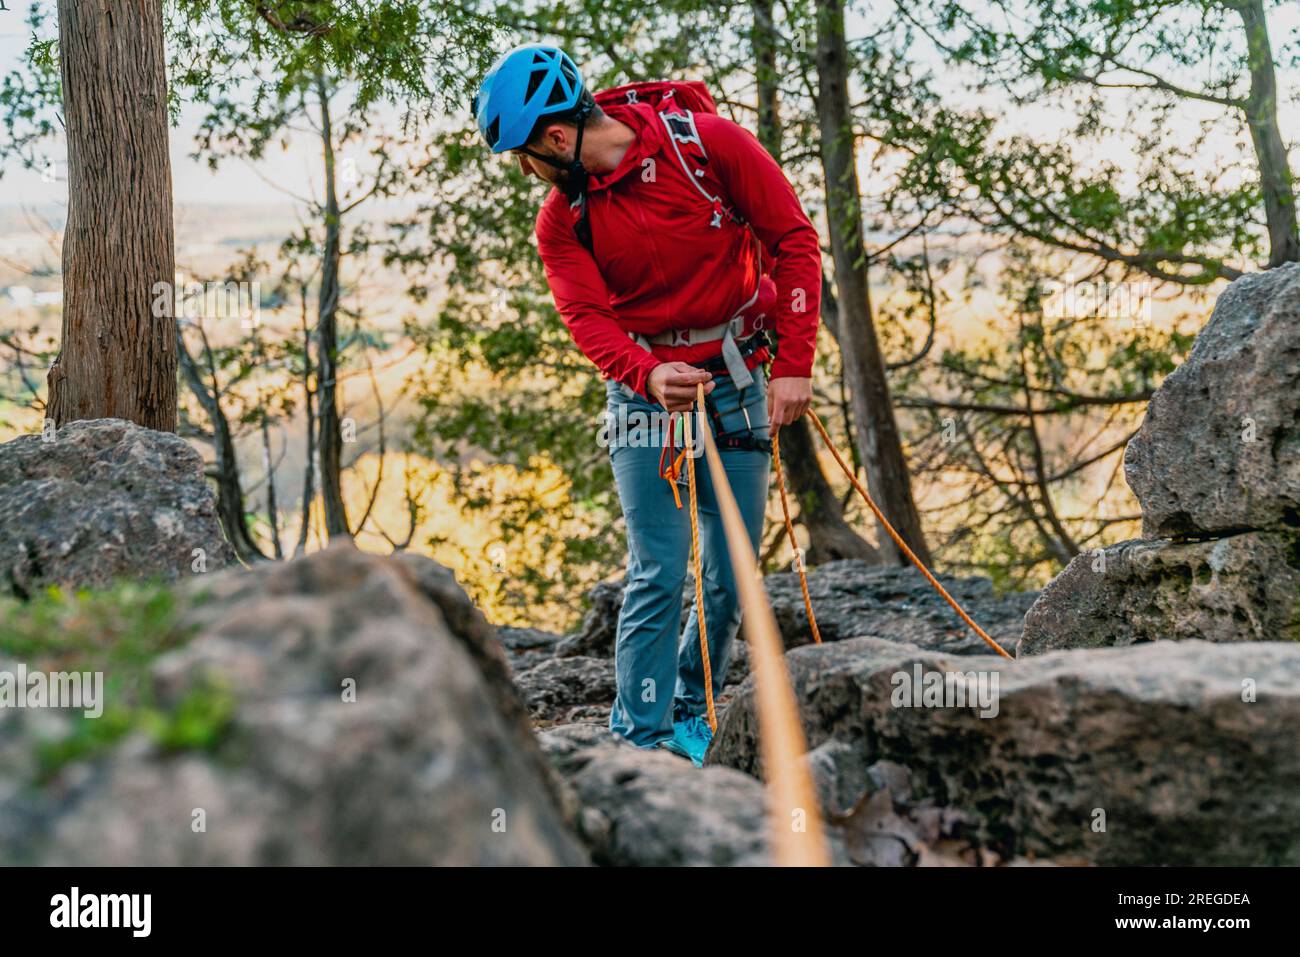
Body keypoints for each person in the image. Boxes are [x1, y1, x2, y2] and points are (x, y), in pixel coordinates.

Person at [473, 43, 820, 766]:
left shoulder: (708, 145)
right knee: (658, 567)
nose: (526, 170)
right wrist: (644, 371)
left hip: (736, 375)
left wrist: (793, 364)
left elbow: (792, 238)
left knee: (732, 570)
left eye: (525, 154)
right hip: (644, 393)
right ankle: (639, 738)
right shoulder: (563, 220)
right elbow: (587, 318)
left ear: (558, 138)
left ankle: (695, 706)